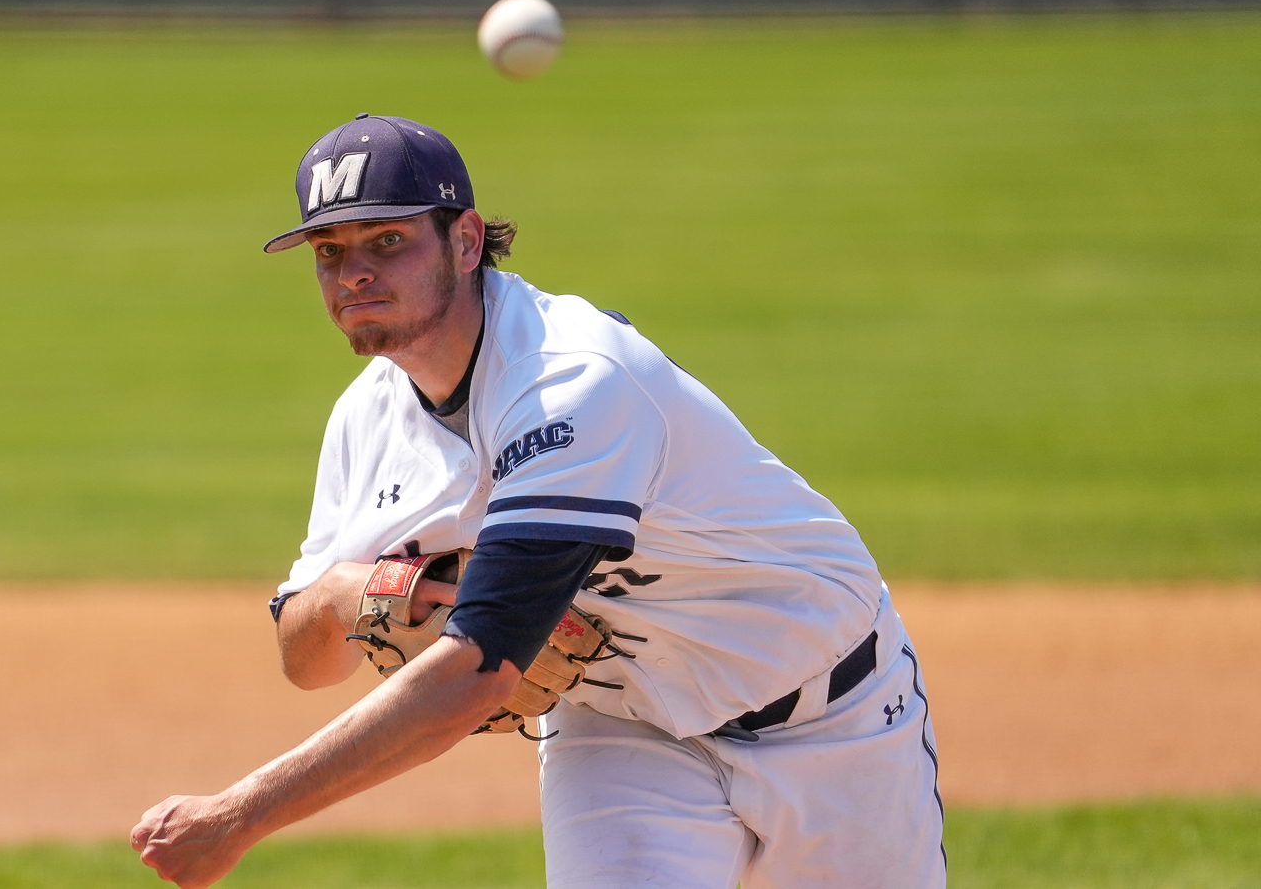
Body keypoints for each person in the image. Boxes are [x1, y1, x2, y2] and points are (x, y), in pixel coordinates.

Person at [131, 113, 947, 889]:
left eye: (388, 240)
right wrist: (354, 591)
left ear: (467, 240)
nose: (356, 273)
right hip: (622, 728)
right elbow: (304, 659)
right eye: (330, 251)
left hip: (832, 716)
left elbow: (478, 674)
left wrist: (237, 817)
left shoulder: (571, 384)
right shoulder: (364, 416)